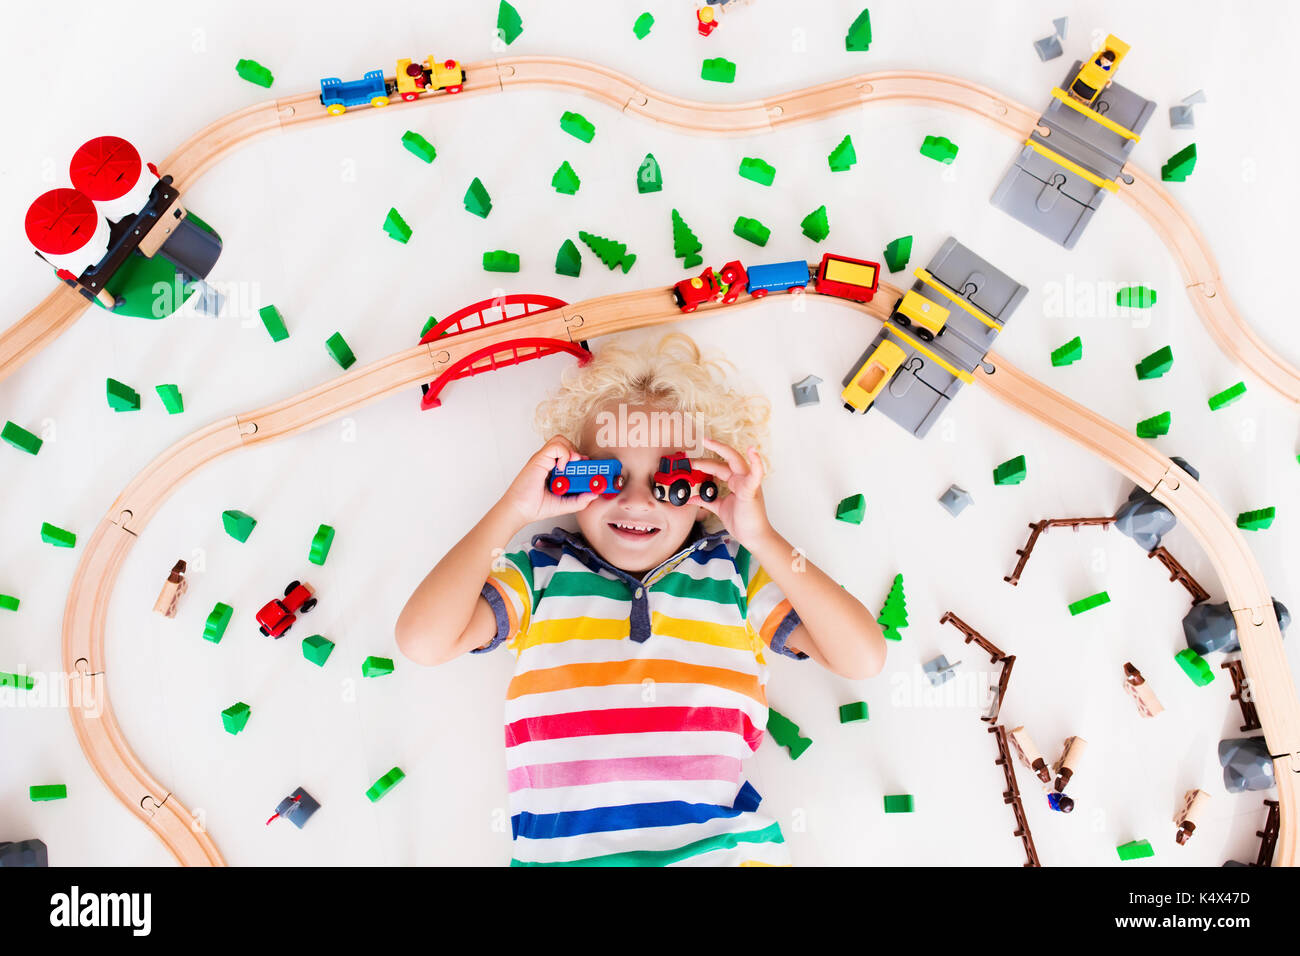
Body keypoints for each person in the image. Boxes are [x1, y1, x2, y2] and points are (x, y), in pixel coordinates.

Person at [395, 332, 887, 865]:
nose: (636, 501)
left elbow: (862, 657)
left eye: (667, 482)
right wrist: (511, 511)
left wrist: (761, 536)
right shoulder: (541, 576)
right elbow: (422, 640)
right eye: (608, 476)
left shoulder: (735, 578)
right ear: (571, 476)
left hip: (717, 853)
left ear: (704, 489)